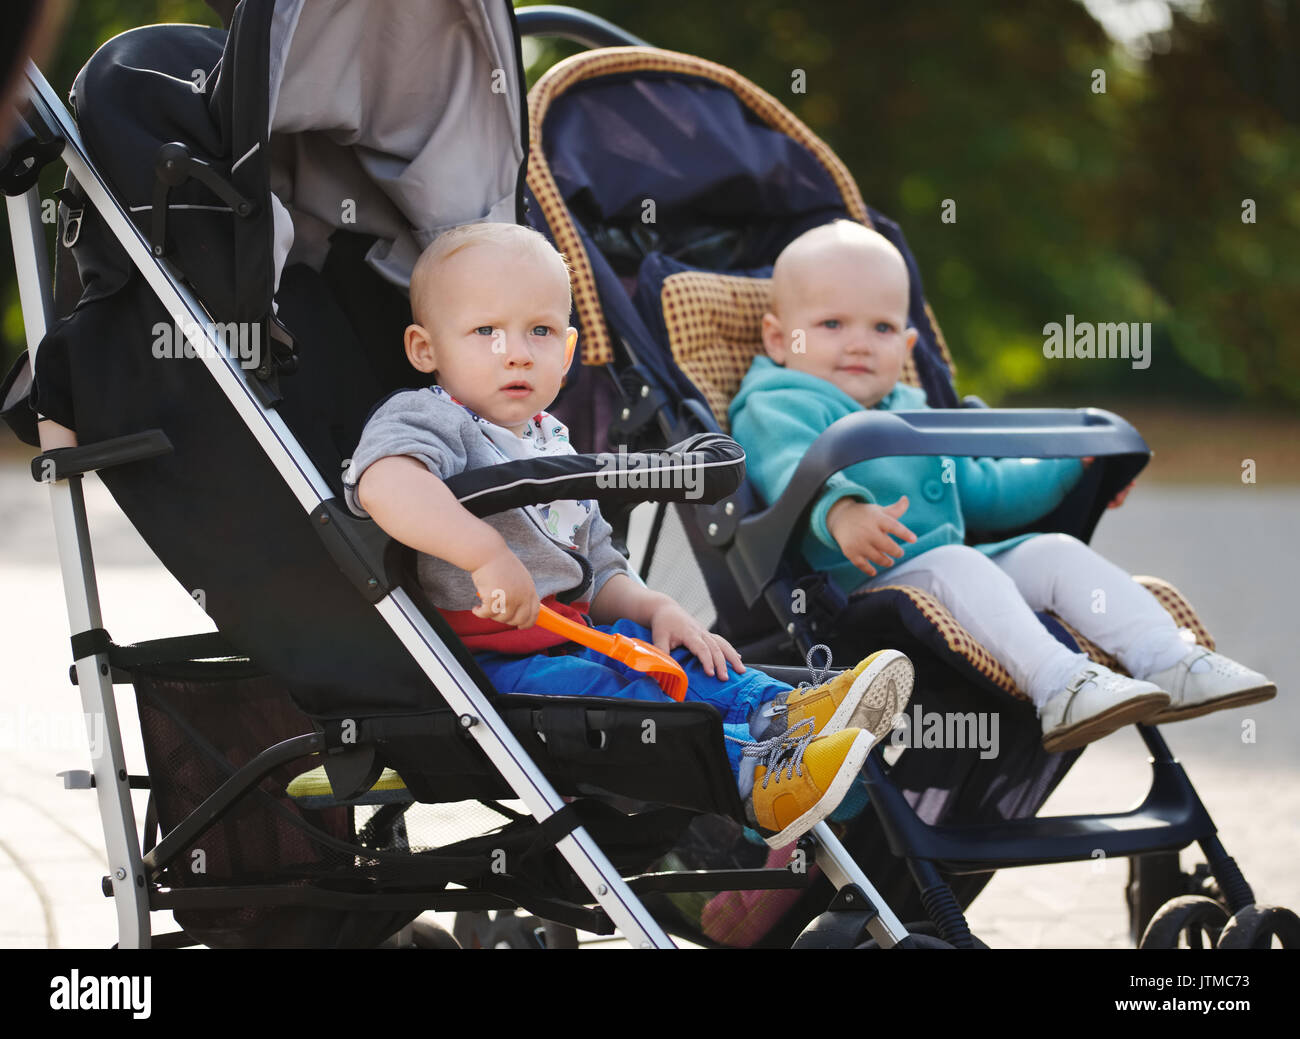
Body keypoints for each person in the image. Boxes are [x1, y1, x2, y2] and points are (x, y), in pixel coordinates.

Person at [342, 221, 914, 847]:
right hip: (484, 668)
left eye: (538, 331)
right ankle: (755, 779)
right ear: (426, 349)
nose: (516, 351)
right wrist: (482, 552)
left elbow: (596, 566)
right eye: (485, 331)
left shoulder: (551, 442)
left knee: (673, 649)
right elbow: (384, 484)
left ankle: (781, 713)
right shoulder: (426, 418)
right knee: (616, 693)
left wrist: (653, 604)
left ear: (566, 351)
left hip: (569, 635)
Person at [729, 220, 1275, 753]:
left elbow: (988, 492)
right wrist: (842, 509)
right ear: (779, 338)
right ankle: (1061, 686)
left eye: (882, 329)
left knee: (1054, 552)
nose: (859, 345)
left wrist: (1073, 470)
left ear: (908, 342)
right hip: (854, 597)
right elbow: (787, 463)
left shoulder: (914, 409)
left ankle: (1170, 661)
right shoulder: (780, 401)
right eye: (831, 325)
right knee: (958, 564)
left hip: (949, 574)